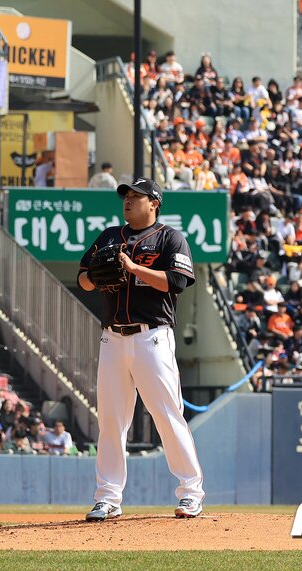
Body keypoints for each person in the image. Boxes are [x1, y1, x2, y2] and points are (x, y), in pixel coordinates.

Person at [77, 177, 204, 521]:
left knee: (167, 415)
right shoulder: (108, 237)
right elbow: (83, 277)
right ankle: (107, 497)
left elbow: (176, 281)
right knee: (111, 421)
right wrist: (97, 277)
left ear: (154, 203)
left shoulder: (169, 238)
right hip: (112, 339)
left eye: (137, 197)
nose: (129, 201)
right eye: (126, 196)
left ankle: (191, 493)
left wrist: (134, 268)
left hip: (152, 337)